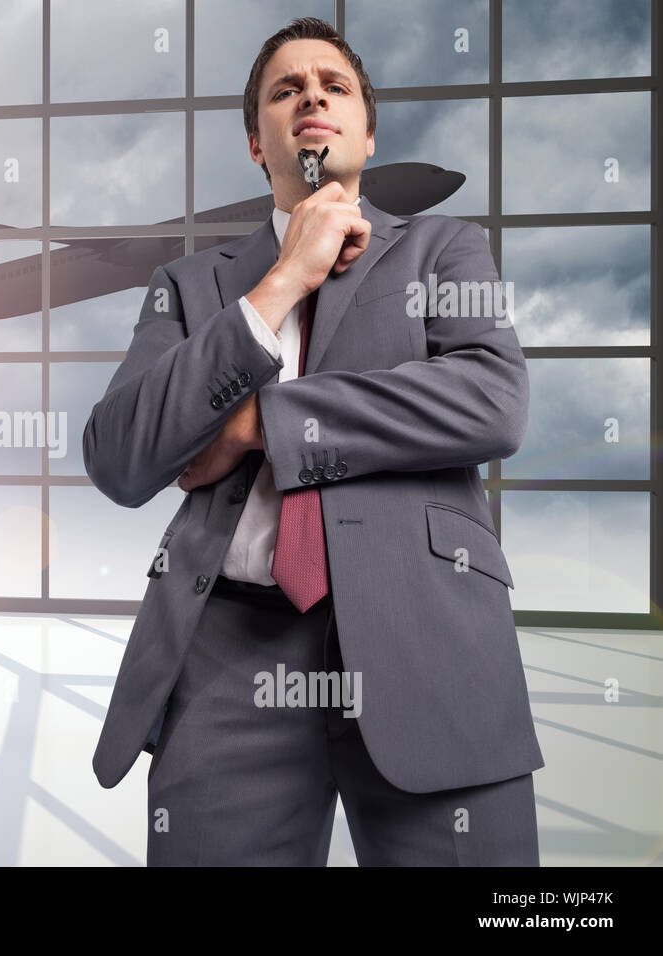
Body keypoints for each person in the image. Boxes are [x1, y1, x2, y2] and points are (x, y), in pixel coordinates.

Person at [83, 17, 543, 866]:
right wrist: (281, 281)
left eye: (334, 86)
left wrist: (261, 423)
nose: (311, 98)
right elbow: (119, 454)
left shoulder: (446, 252)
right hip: (224, 661)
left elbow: (493, 401)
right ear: (257, 143)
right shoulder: (188, 287)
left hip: (429, 644)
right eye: (284, 90)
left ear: (367, 130)